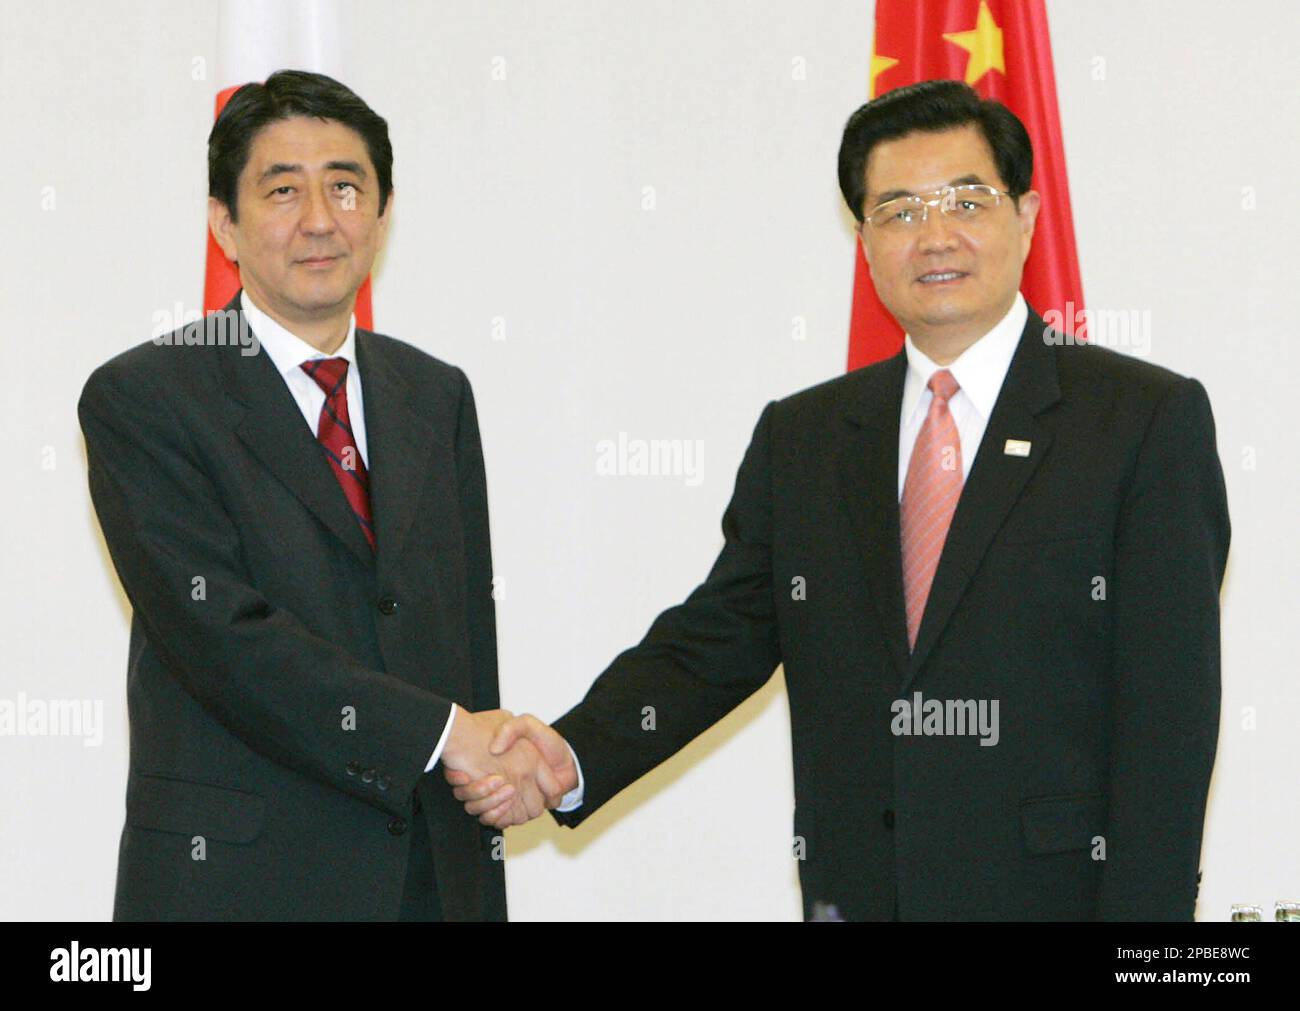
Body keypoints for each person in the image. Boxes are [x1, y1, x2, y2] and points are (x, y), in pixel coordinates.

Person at [448, 80, 1231, 921]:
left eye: (967, 199)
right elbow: (715, 642)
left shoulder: (1141, 421)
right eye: (897, 210)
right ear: (863, 241)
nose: (935, 235)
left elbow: (1169, 723)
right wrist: (570, 751)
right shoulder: (807, 437)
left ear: (1028, 216)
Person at [78, 69, 569, 921]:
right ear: (222, 223)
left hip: (426, 877)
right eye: (281, 190)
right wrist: (448, 733)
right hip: (236, 884)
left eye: (346, 187)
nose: (319, 219)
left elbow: (464, 640)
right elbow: (225, 641)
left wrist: (486, 775)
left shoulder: (435, 393)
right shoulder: (147, 396)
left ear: (381, 216)